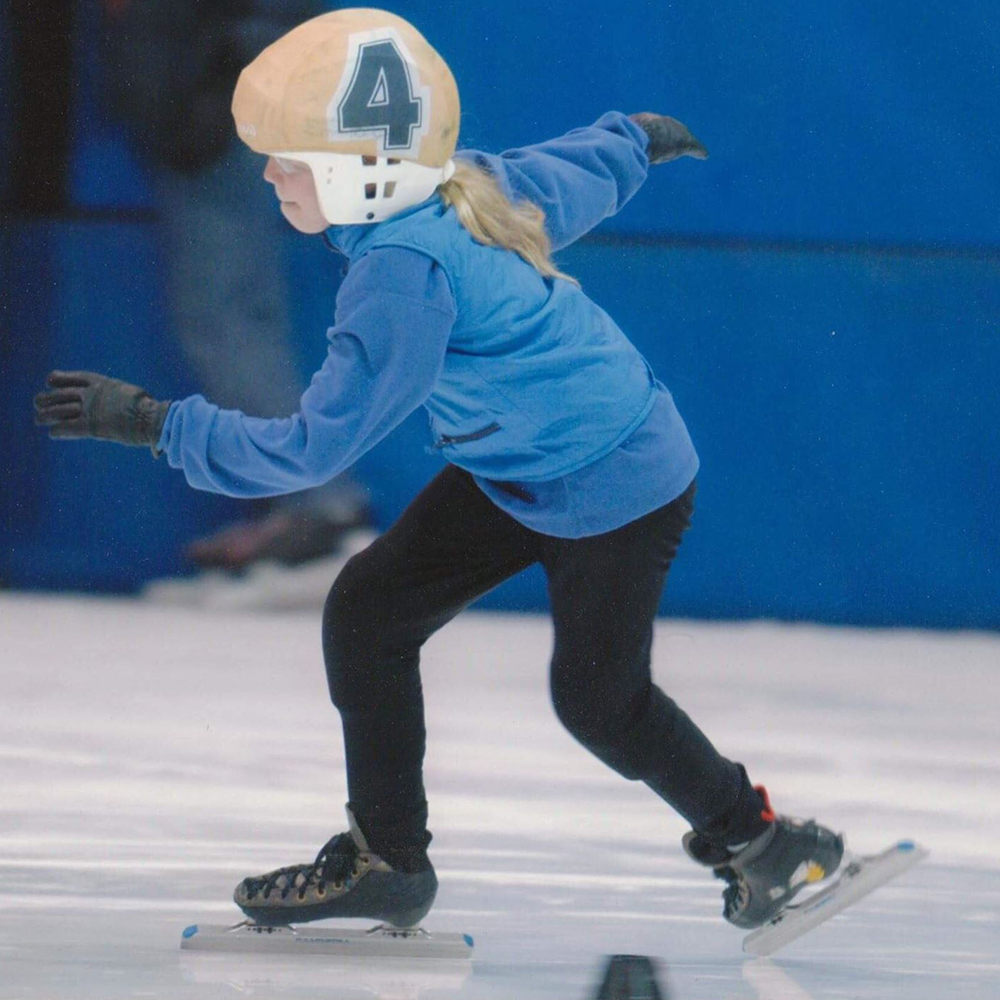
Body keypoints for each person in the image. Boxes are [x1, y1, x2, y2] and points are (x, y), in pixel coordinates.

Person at [35, 8, 844, 933]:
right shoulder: (462, 186)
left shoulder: (400, 278)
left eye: (286, 160)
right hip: (517, 469)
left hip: (621, 481)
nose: (265, 175)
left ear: (355, 169)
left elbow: (312, 450)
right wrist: (631, 141)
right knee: (370, 610)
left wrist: (153, 423)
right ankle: (390, 859)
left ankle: (765, 844)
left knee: (600, 702)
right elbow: (561, 179)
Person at [101, 0, 374, 574]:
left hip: (214, 112)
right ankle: (303, 510)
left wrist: (210, 93)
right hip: (209, 105)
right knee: (235, 314)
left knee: (225, 318)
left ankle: (318, 511)